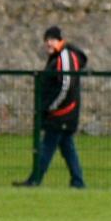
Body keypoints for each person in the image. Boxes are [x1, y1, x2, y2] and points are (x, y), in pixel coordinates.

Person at [14, 26, 87, 188]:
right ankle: (78, 182)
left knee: (46, 147)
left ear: (59, 40)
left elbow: (66, 86)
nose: (48, 43)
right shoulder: (57, 56)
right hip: (61, 112)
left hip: (62, 112)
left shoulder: (65, 56)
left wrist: (51, 107)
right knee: (67, 148)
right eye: (46, 40)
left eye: (52, 39)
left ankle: (35, 180)